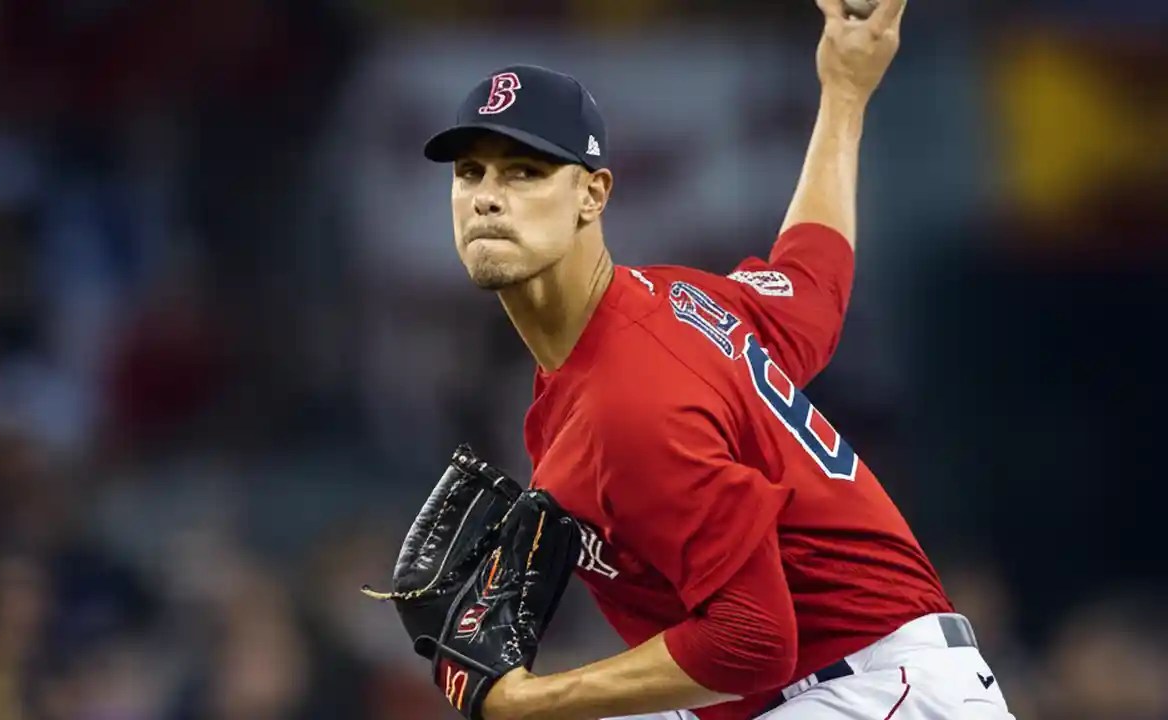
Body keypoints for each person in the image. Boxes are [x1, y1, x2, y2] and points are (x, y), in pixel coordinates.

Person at [419, 1, 1014, 718]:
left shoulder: (633, 401)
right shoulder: (677, 305)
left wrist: (525, 701)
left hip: (870, 690)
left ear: (592, 194)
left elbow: (752, 642)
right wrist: (845, 91)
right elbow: (811, 284)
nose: (487, 199)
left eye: (524, 172)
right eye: (471, 172)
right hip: (828, 686)